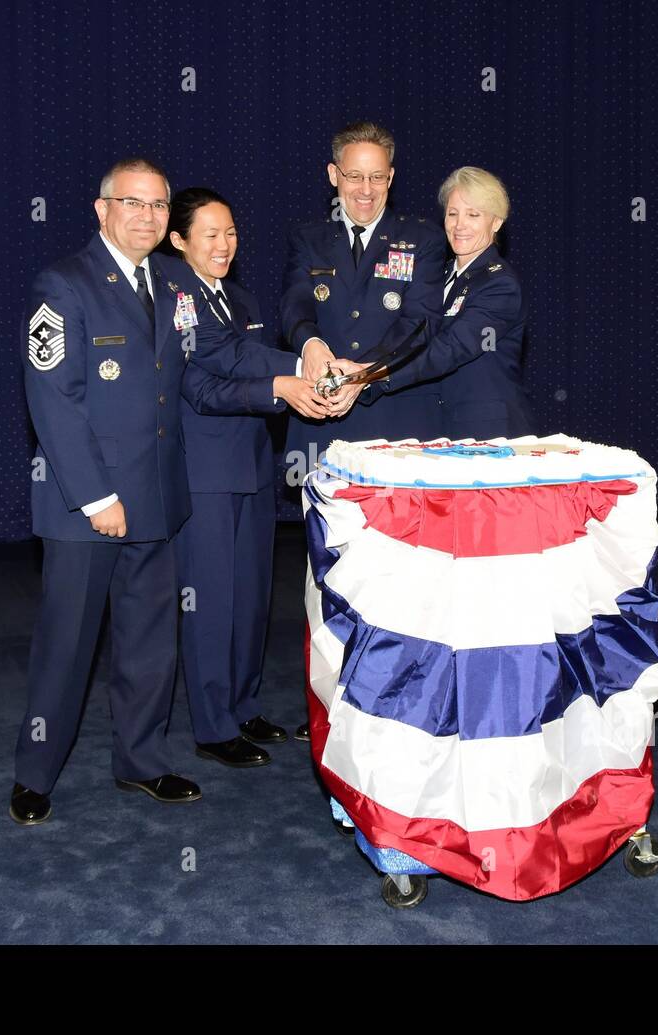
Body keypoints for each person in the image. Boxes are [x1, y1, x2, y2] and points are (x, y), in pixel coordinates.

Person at [10, 158, 305, 826]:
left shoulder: (175, 284)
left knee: (149, 644)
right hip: (89, 507)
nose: (145, 216)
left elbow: (217, 359)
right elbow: (53, 400)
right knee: (68, 645)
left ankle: (141, 762)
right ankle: (34, 774)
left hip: (160, 498)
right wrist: (96, 498)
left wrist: (298, 368)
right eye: (132, 203)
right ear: (102, 207)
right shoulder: (62, 284)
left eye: (156, 205)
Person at [279, 120, 448, 740]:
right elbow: (294, 303)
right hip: (322, 428)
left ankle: (398, 708)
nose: (367, 189)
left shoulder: (423, 242)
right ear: (334, 176)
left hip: (395, 425)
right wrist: (313, 343)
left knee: (399, 574)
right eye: (355, 176)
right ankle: (329, 712)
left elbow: (423, 324)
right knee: (329, 576)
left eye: (378, 176)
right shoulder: (309, 237)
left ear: (392, 178)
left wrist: (365, 372)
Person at [163, 187, 335, 767]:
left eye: (231, 232)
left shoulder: (237, 296)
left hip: (255, 466)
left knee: (251, 597)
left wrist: (290, 380)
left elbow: (243, 358)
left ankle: (243, 704)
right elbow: (207, 381)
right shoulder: (171, 295)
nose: (224, 244)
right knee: (209, 599)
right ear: (178, 240)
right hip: (205, 470)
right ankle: (213, 727)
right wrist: (294, 374)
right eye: (209, 235)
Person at [359, 166, 534, 439]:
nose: (459, 224)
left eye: (473, 214)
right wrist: (361, 364)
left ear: (497, 222)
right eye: (452, 214)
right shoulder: (438, 275)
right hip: (439, 426)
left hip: (488, 433)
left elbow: (450, 349)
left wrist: (374, 374)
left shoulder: (500, 285)